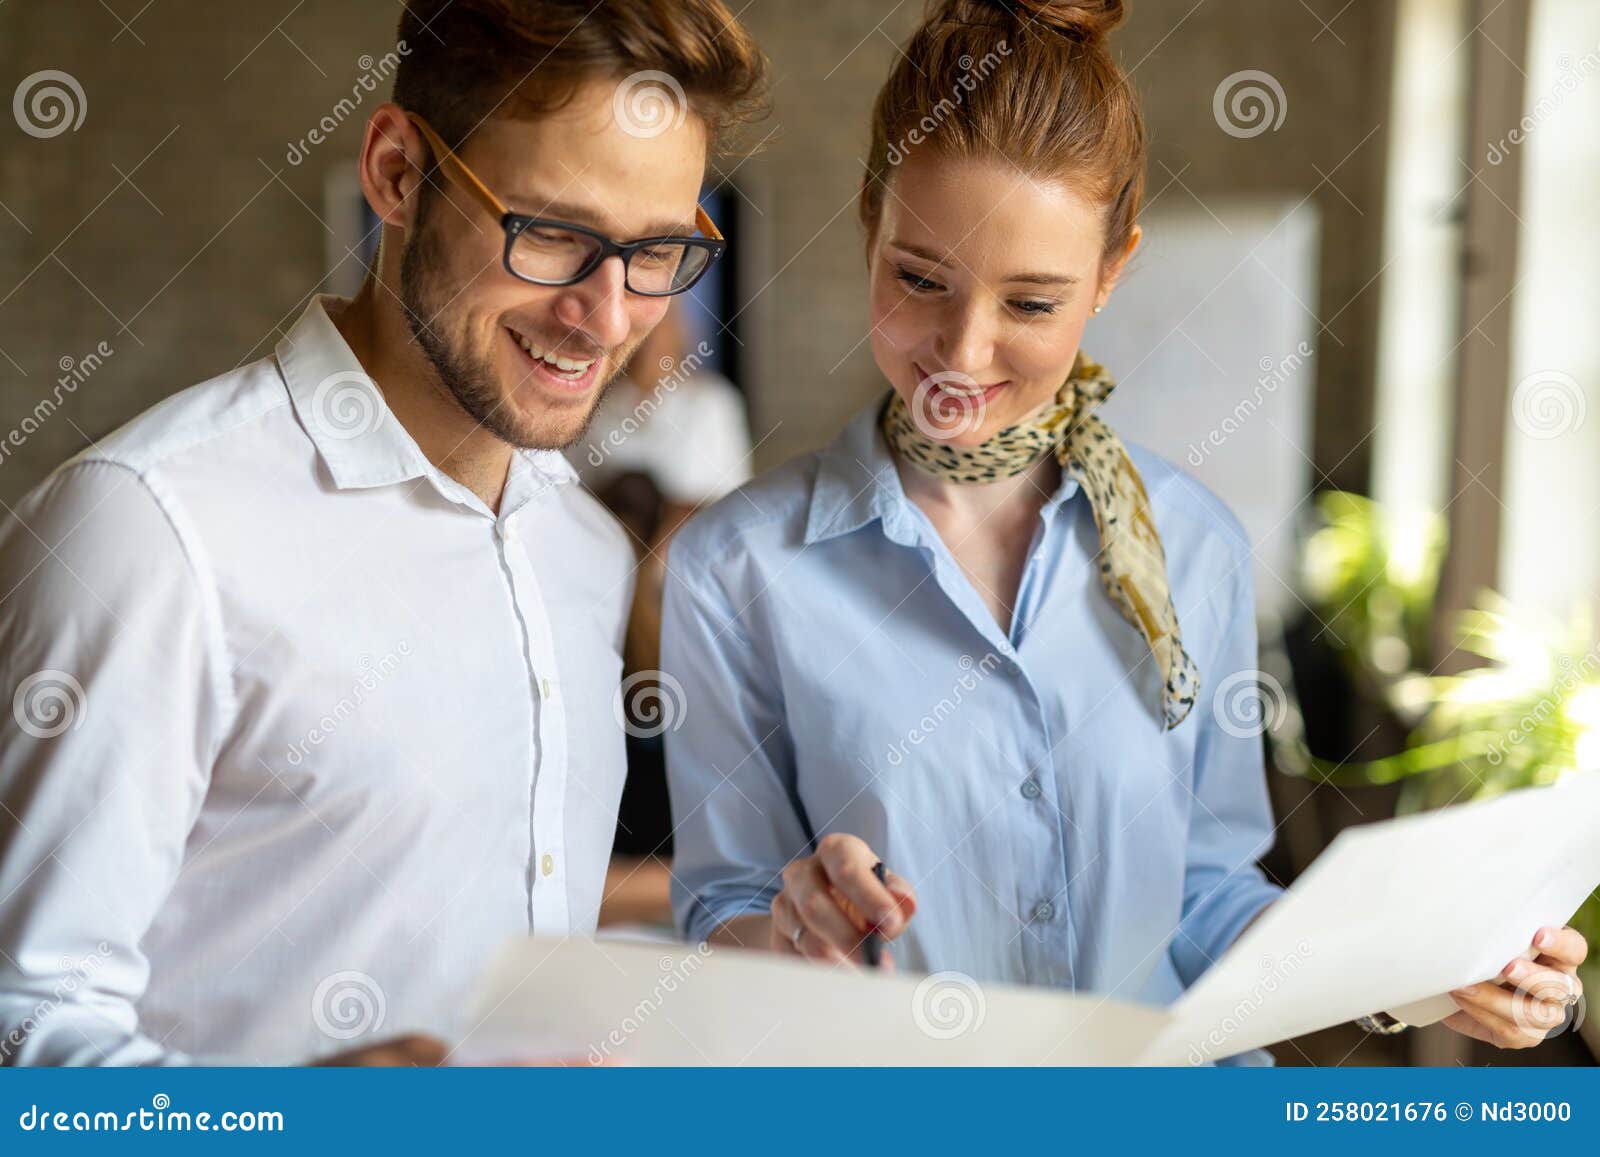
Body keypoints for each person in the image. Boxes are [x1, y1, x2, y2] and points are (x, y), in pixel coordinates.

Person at [661, 0, 1586, 1061]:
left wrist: (1419, 970)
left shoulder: (1192, 545)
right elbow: (717, 910)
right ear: (867, 223)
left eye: (1032, 302)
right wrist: (788, 931)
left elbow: (1203, 892)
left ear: (1110, 271)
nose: (961, 351)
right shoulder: (734, 568)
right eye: (919, 278)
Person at [0, 0, 766, 1065]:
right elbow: (25, 1040)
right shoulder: (150, 528)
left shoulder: (582, 554)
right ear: (398, 171)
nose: (608, 314)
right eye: (551, 232)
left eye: (656, 249)